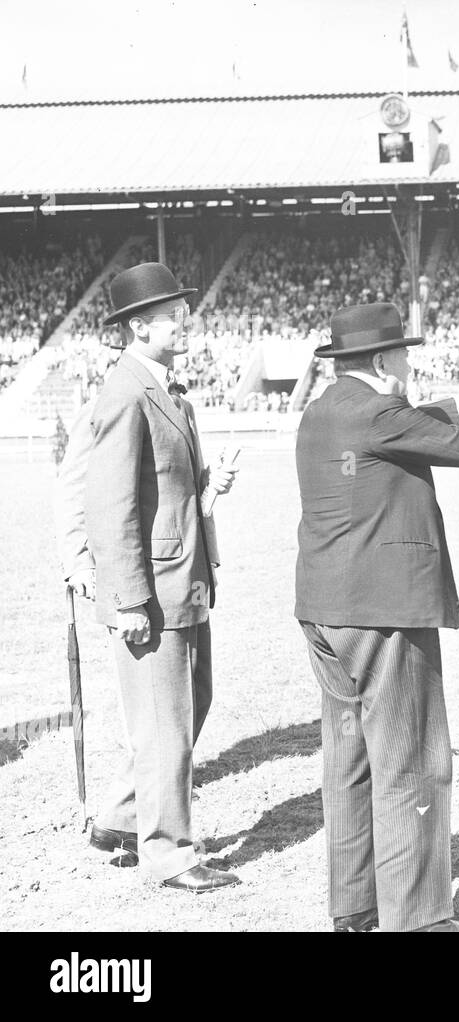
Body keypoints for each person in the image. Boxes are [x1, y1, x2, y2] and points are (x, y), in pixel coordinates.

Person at [295, 303, 459, 933]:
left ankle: (356, 908)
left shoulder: (326, 410)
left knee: (349, 764)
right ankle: (417, 919)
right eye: (405, 356)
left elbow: (414, 426)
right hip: (382, 611)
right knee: (411, 761)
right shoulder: (382, 413)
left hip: (326, 610)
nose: (410, 365)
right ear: (385, 361)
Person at [83, 263, 240, 892]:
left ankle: (121, 817)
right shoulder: (125, 393)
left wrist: (207, 489)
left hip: (183, 581)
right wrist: (127, 600)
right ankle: (169, 854)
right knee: (166, 725)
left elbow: (166, 495)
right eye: (173, 314)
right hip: (150, 592)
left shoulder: (168, 391)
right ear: (139, 327)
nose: (184, 322)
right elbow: (111, 503)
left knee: (189, 707)